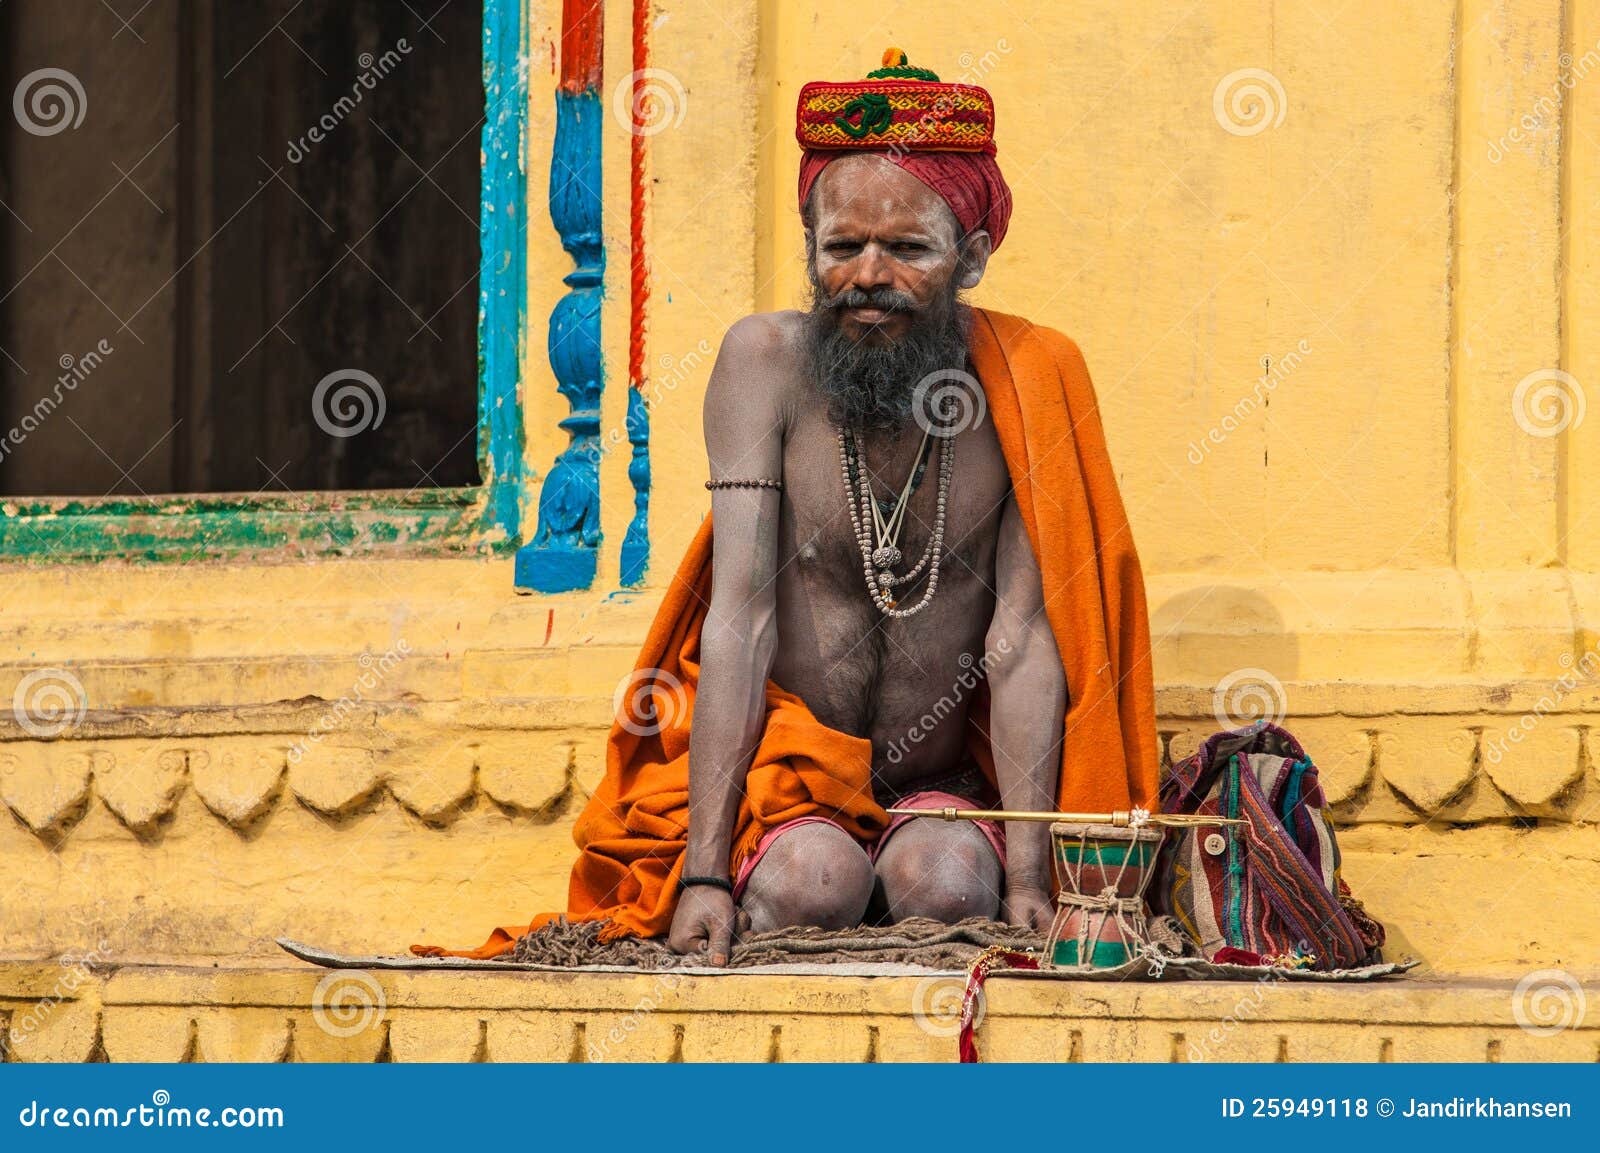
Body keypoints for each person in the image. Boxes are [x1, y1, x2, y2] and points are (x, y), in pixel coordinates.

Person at [414, 49, 1158, 966]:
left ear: (972, 256)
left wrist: (1032, 886)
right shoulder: (762, 364)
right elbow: (740, 618)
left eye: (908, 250)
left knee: (950, 884)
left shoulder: (1028, 381)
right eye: (842, 247)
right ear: (810, 246)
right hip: (791, 782)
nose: (868, 275)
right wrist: (704, 875)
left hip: (944, 781)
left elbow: (1023, 640)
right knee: (813, 883)